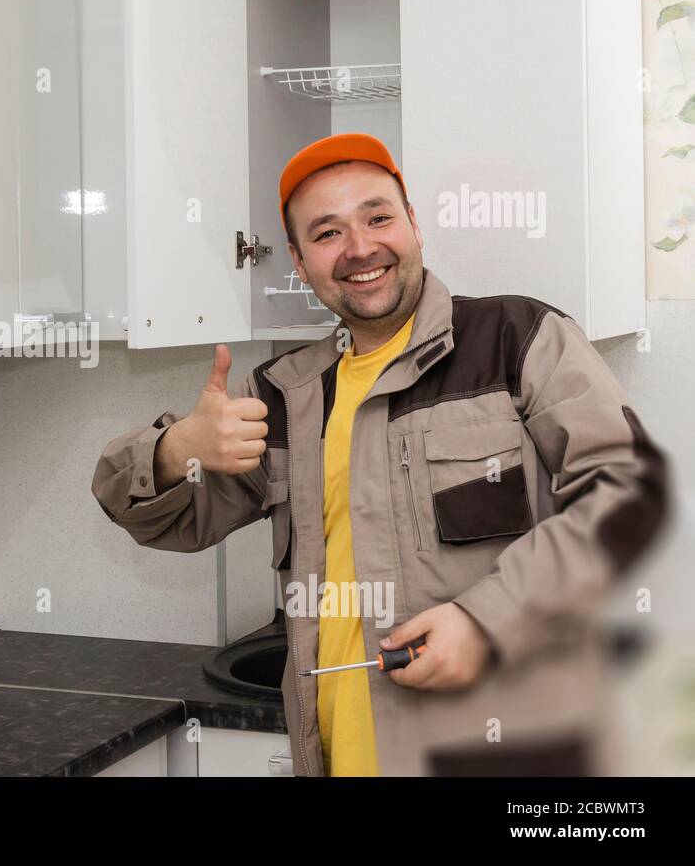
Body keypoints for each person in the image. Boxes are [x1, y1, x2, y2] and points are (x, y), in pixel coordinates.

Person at [91, 133, 672, 776]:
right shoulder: (282, 397)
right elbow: (138, 509)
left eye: (377, 217)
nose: (361, 248)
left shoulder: (518, 339)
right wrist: (176, 452)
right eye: (327, 233)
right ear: (298, 258)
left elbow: (628, 490)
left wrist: (487, 620)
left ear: (413, 223)